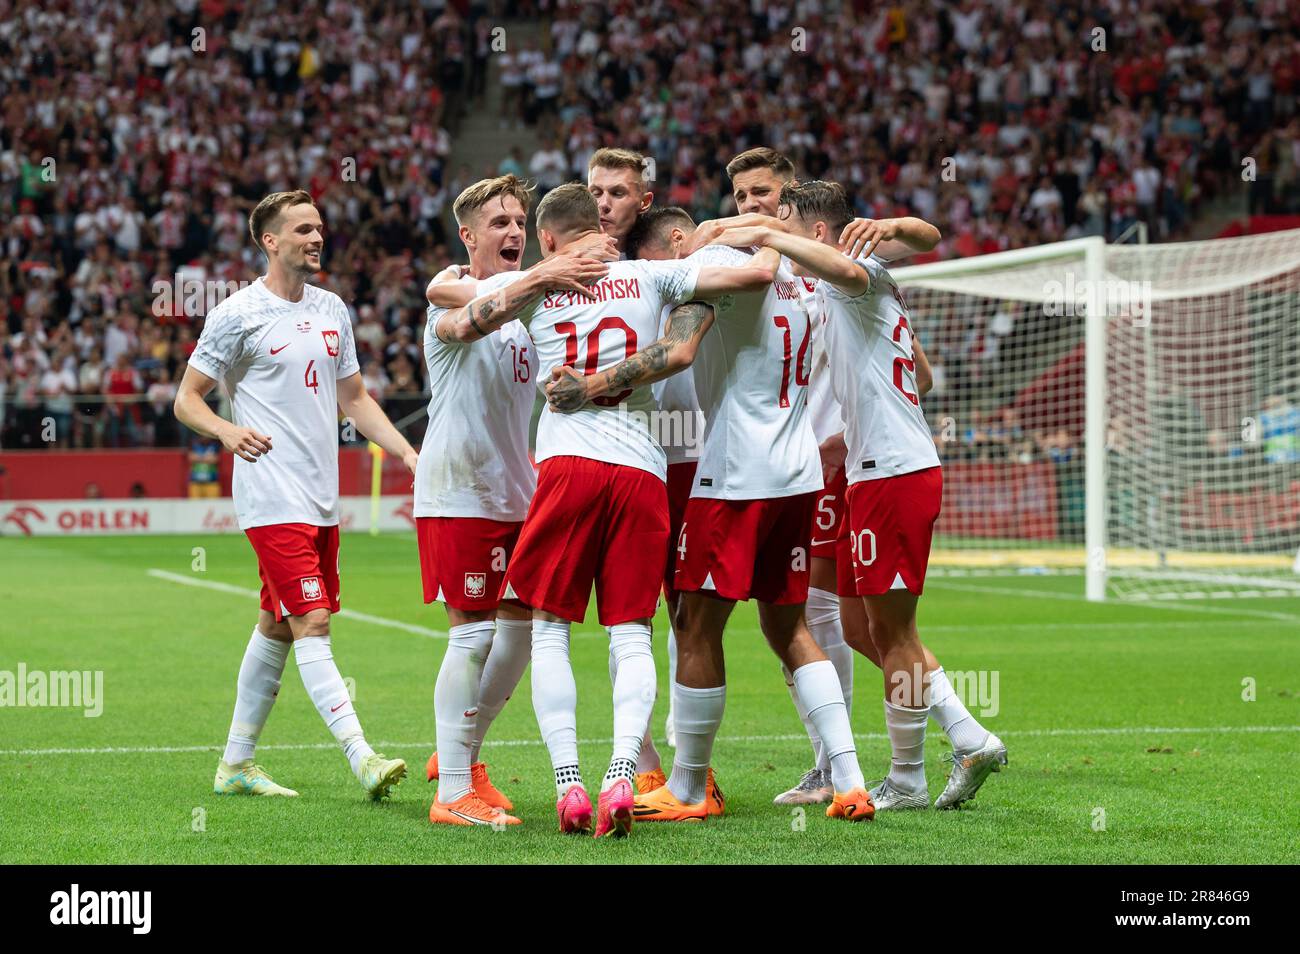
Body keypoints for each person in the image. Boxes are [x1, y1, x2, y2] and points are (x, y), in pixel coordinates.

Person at [437, 183, 778, 837]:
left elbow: (452, 320)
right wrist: (719, 231)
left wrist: (540, 276)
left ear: (548, 239)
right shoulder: (651, 274)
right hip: (643, 473)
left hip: (568, 468)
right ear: (600, 229)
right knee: (631, 634)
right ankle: (623, 773)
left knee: (551, 632)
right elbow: (760, 271)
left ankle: (569, 783)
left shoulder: (538, 287)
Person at [548, 177, 876, 825]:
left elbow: (677, 351)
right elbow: (850, 274)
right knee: (790, 628)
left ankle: (691, 787)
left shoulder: (710, 265)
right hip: (798, 469)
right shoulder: (809, 275)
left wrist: (589, 386)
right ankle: (852, 781)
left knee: (693, 624)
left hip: (733, 472)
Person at [715, 180, 1006, 810]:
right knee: (855, 625)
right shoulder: (840, 282)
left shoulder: (861, 269)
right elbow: (921, 375)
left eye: (783, 219)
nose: (772, 227)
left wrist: (764, 233)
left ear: (814, 232)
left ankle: (908, 776)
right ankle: (965, 732)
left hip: (894, 474)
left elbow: (869, 259)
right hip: (871, 471)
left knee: (893, 630)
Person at [174, 190, 418, 801]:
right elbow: (187, 398)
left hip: (320, 494)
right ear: (270, 241)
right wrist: (228, 432)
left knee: (276, 625)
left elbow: (355, 398)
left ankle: (235, 764)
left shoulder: (333, 309)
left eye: (320, 228)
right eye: (303, 229)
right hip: (270, 494)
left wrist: (408, 453)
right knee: (311, 619)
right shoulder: (236, 314)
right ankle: (361, 757)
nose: (317, 238)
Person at [418, 174, 610, 828]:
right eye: (497, 223)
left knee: (522, 633)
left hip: (516, 490)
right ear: (467, 236)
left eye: (519, 221)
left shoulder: (532, 306)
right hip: (460, 489)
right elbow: (466, 313)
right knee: (472, 633)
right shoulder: (453, 294)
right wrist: (548, 272)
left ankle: (462, 758)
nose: (512, 232)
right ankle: (450, 799)